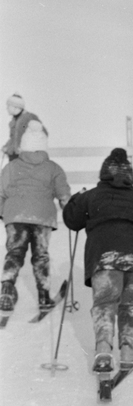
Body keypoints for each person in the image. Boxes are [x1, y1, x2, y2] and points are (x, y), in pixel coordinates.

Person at [62, 148, 133, 375]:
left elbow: (72, 220)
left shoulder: (91, 196)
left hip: (105, 255)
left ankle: (103, 351)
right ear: (130, 176)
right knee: (129, 304)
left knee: (105, 303)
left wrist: (75, 199)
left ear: (104, 173)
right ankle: (128, 352)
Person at [0, 120, 71, 316]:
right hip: (42, 218)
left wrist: (3, 213)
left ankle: (6, 290)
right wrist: (72, 212)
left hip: (15, 216)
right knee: (40, 256)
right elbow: (64, 195)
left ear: (23, 146)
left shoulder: (11, 167)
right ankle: (43, 297)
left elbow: (0, 192)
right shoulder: (53, 168)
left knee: (14, 253)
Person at [4, 94, 41, 162]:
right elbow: (13, 138)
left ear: (15, 107)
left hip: (25, 157)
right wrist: (7, 146)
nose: (7, 108)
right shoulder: (13, 121)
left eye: (8, 106)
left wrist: (27, 148)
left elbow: (42, 135)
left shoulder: (30, 117)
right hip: (13, 156)